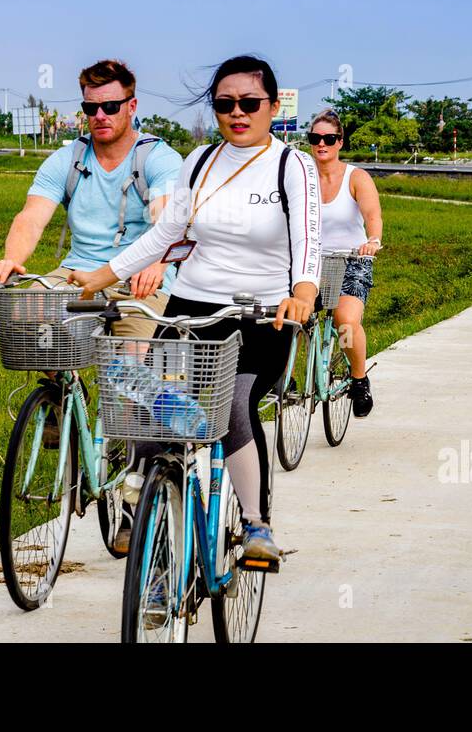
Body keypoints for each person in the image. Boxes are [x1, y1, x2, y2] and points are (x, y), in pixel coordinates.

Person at [68, 55, 320, 563]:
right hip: (191, 304)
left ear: (272, 105)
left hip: (262, 314)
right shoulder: (201, 160)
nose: (238, 113)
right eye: (225, 104)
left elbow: (308, 241)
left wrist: (304, 294)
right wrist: (103, 276)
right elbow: (166, 233)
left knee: (231, 407)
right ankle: (146, 495)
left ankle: (255, 525)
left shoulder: (292, 165)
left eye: (250, 103)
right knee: (145, 395)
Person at [0, 58, 183, 334]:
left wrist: (157, 264)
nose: (100, 115)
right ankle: (65, 378)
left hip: (137, 278)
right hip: (78, 272)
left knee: (135, 357)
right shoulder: (68, 159)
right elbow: (31, 218)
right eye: (91, 108)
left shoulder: (157, 158)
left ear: (132, 107)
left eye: (111, 107)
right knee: (23, 317)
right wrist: (11, 259)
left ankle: (125, 371)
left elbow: (168, 220)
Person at [306, 109, 383, 417]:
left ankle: (359, 378)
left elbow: (373, 216)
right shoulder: (302, 176)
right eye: (315, 138)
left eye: (328, 138)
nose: (321, 144)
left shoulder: (357, 177)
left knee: (346, 322)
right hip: (311, 260)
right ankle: (281, 380)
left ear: (340, 142)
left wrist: (372, 241)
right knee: (285, 317)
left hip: (352, 259)